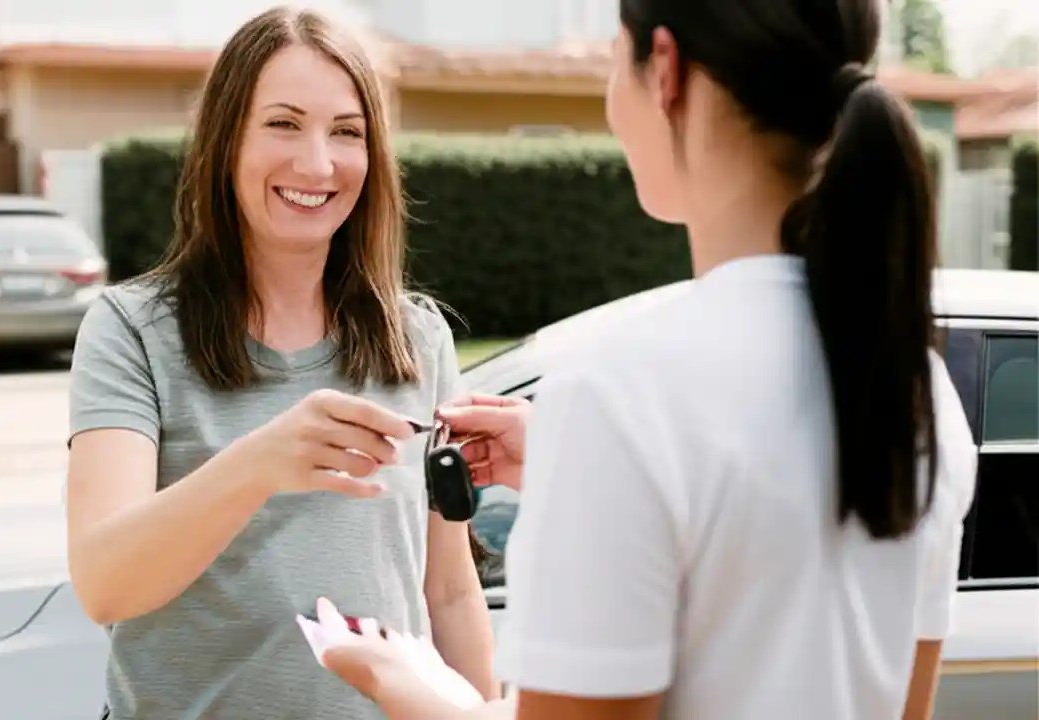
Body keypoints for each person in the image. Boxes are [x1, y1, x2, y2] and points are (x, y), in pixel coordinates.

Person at [312, 1, 979, 719]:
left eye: (611, 61)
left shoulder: (620, 388)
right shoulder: (918, 391)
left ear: (665, 70)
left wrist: (404, 682)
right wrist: (579, 473)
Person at [64, 7, 495, 719]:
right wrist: (261, 462)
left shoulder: (418, 340)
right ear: (226, 138)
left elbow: (446, 590)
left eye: (347, 132)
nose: (318, 164)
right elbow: (105, 583)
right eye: (284, 124)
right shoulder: (130, 331)